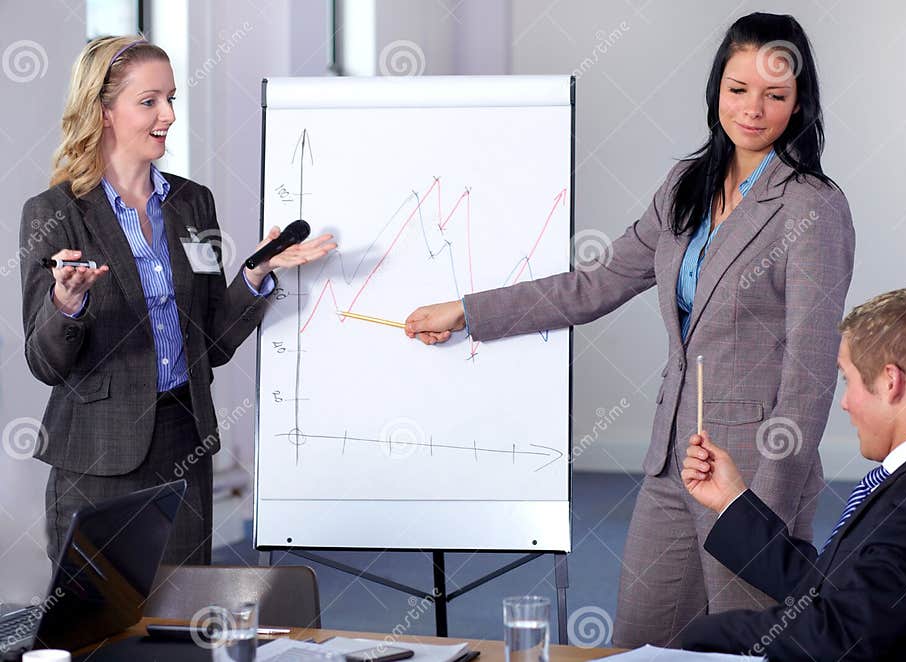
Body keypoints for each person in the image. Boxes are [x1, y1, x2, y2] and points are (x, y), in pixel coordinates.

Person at [404, 12, 855, 645]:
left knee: (747, 645)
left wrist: (766, 507)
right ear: (715, 90)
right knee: (639, 643)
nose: (752, 109)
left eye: (774, 95)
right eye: (737, 88)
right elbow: (597, 282)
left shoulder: (812, 204)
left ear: (798, 102)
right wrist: (470, 312)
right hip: (673, 463)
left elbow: (809, 370)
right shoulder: (685, 186)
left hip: (752, 473)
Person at [19, 36, 336, 566]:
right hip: (96, 459)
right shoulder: (54, 212)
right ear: (104, 112)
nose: (167, 114)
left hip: (184, 444)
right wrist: (66, 302)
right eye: (149, 101)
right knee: (97, 633)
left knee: (183, 625)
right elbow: (44, 362)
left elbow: (211, 340)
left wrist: (255, 271)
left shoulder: (193, 203)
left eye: (171, 99)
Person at [679, 288, 906, 661]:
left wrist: (707, 631)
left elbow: (842, 636)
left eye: (848, 380)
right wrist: (731, 500)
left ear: (891, 382)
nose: (844, 402)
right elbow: (834, 593)